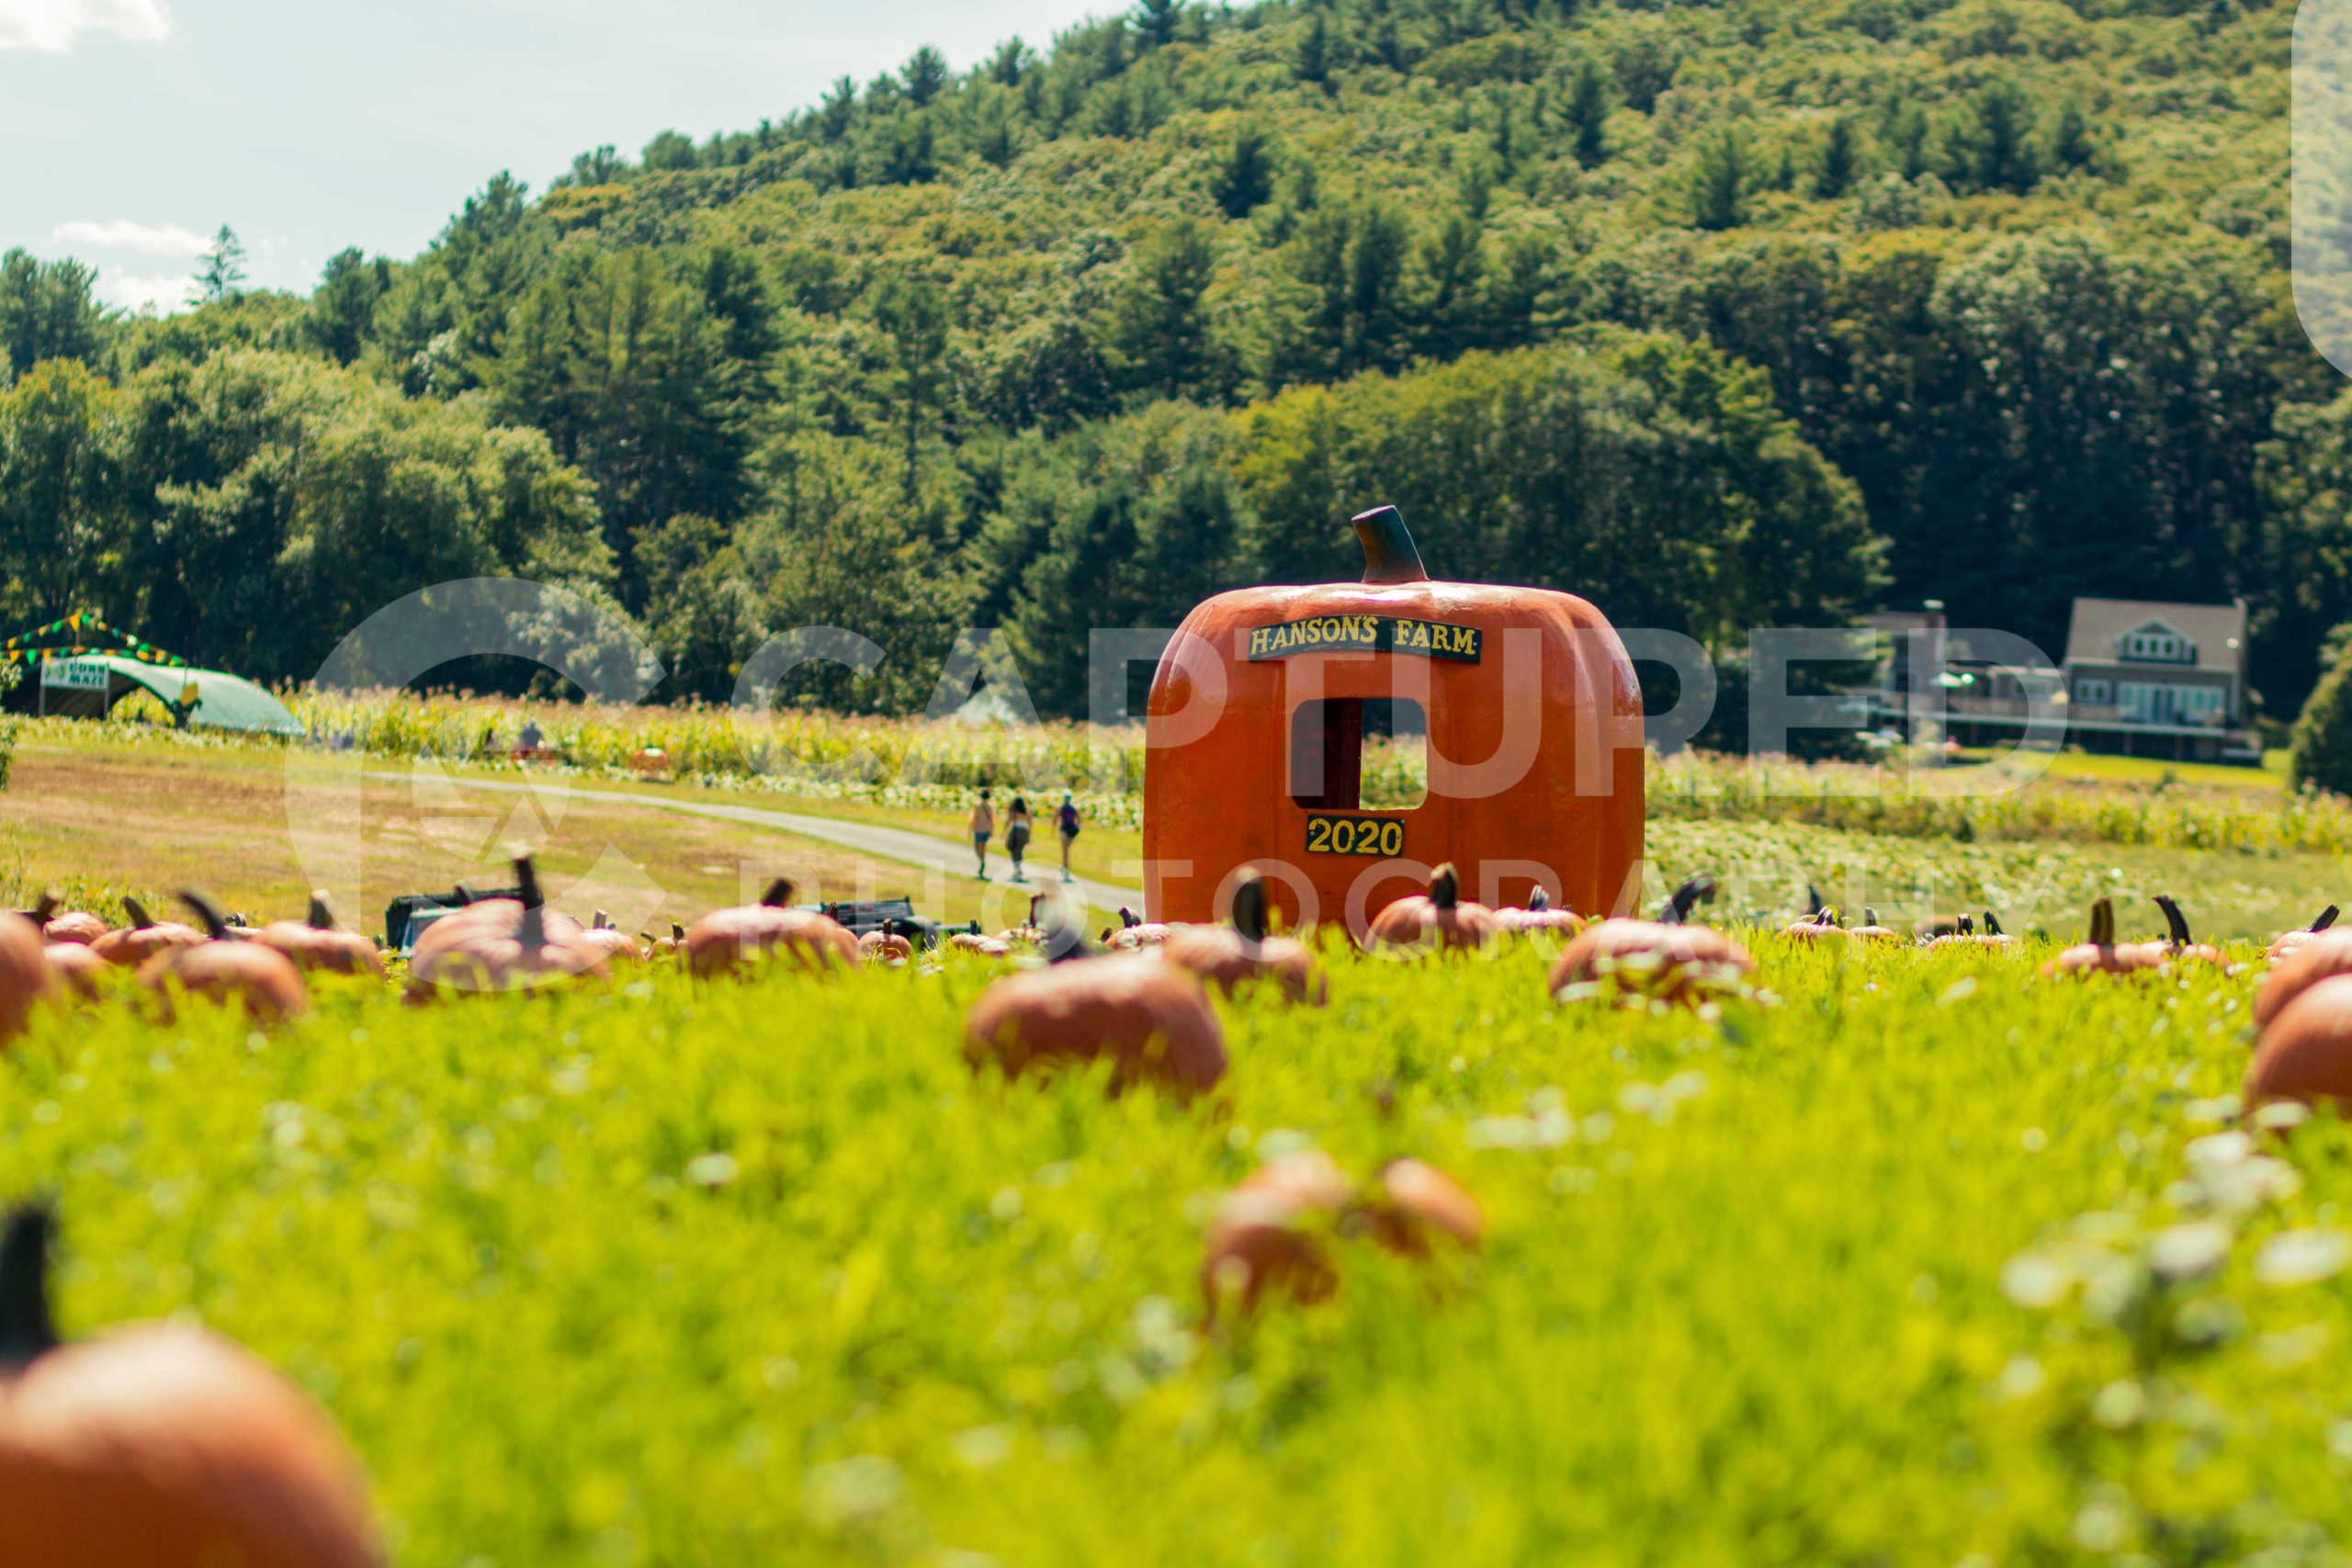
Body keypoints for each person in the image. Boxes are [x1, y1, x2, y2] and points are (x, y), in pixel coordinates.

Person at [1004, 796, 1033, 884]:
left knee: (1013, 850)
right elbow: (1030, 825)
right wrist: (1029, 835)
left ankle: (1017, 869)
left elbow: (1007, 822)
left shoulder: (1014, 813)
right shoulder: (1027, 813)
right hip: (1024, 832)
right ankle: (1018, 869)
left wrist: (1003, 833)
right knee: (1019, 850)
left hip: (1015, 831)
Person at [968, 788, 996, 877]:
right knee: (983, 848)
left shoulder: (977, 806)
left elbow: (973, 819)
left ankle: (982, 862)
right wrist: (992, 830)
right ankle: (982, 863)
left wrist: (970, 830)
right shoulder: (990, 807)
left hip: (979, 829)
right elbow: (992, 820)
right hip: (987, 829)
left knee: (976, 846)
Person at [1056, 792, 1080, 883]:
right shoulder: (1074, 808)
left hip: (1064, 830)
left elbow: (1055, 819)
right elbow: (1079, 820)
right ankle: (1063, 867)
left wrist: (1053, 830)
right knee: (1067, 851)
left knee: (1065, 852)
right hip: (1072, 831)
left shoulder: (1061, 808)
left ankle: (1066, 873)